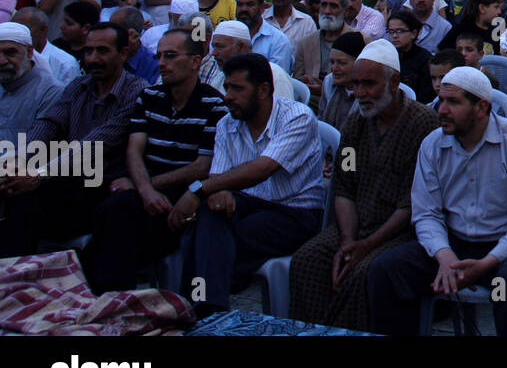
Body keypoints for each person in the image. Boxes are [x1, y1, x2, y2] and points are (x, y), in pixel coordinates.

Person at [366, 65, 507, 336]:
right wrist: (444, 255)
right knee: (386, 271)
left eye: (453, 102)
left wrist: (488, 262)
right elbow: (427, 213)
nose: (442, 110)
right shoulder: (433, 144)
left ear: (481, 107)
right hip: (453, 246)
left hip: (506, 249)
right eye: (441, 101)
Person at [288, 40, 438, 331]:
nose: (360, 93)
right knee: (307, 261)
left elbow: (411, 205)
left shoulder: (423, 125)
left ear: (394, 82)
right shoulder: (356, 124)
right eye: (356, 85)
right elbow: (344, 189)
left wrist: (364, 246)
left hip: (403, 233)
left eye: (368, 84)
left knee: (362, 274)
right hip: (355, 227)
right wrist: (347, 243)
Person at [172, 53, 324, 316]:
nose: (228, 95)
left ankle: (199, 310)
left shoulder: (297, 117)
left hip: (292, 212)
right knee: (210, 217)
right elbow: (218, 180)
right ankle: (210, 309)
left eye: (237, 88)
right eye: (227, 87)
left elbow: (263, 169)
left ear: (263, 90)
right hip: (246, 204)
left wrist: (198, 190)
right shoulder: (227, 123)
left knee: (202, 237)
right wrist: (218, 192)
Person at [82, 29, 227, 292]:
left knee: (117, 216)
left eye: (170, 56)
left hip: (186, 199)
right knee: (115, 214)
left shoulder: (214, 105)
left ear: (196, 61)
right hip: (145, 193)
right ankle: (111, 295)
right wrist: (145, 190)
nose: (161, 63)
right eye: (159, 56)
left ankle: (103, 294)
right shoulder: (149, 97)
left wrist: (147, 187)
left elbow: (201, 166)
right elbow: (134, 149)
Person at [0, 23, 149, 256]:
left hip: (106, 184)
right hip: (68, 179)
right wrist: (17, 161)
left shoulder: (138, 91)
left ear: (123, 53)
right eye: (88, 51)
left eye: (102, 51)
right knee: (15, 193)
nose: (92, 58)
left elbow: (96, 143)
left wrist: (39, 175)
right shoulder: (78, 86)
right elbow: (49, 124)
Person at [0, 22, 66, 142]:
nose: (2, 61)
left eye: (10, 52)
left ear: (30, 52)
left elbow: (38, 143)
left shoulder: (50, 92)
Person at [294, 0, 355, 101]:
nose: (327, 11)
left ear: (345, 11)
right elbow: (298, 82)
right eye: (324, 5)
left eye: (333, 6)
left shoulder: (358, 40)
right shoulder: (306, 43)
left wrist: (326, 89)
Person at [234, 0, 293, 74]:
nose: (244, 9)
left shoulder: (278, 40)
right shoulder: (224, 33)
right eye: (240, 4)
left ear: (262, 8)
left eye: (250, 5)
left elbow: (277, 78)